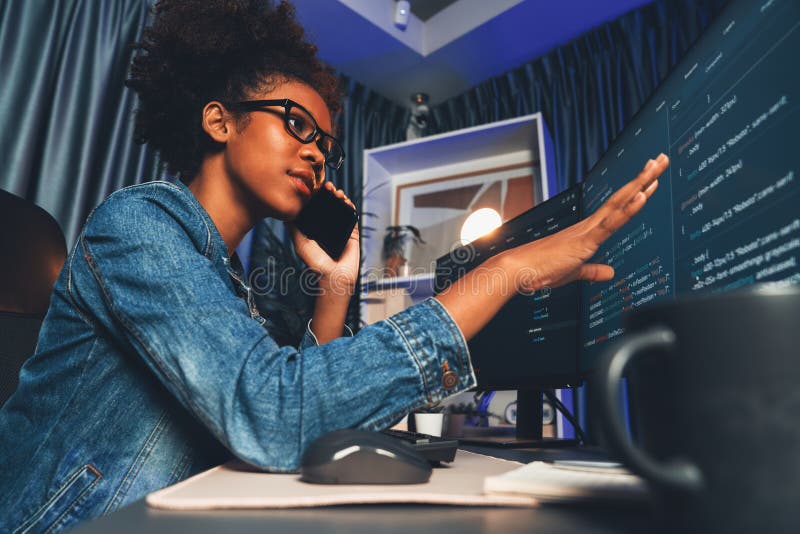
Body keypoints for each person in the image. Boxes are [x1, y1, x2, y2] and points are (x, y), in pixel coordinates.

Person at [0, 0, 669, 531]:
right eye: (295, 123)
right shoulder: (138, 226)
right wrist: (505, 271)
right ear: (218, 121)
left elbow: (291, 399)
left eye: (324, 143)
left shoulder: (223, 282)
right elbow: (275, 415)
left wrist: (336, 285)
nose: (318, 154)